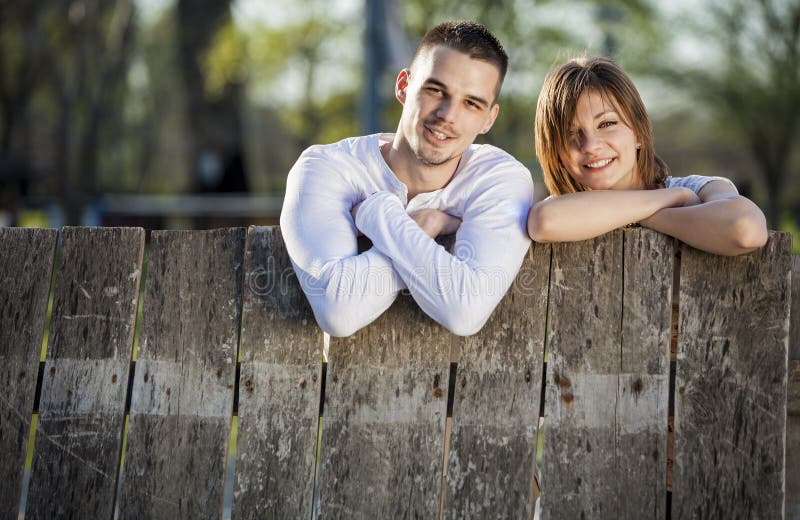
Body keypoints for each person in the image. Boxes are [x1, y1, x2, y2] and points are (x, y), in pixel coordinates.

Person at [280, 21, 533, 337]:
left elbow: (464, 313)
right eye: (435, 90)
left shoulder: (498, 179)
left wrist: (377, 214)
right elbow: (338, 311)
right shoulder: (327, 167)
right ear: (403, 86)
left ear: (488, 119)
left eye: (471, 103)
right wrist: (423, 228)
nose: (448, 115)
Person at [527, 56, 768, 256]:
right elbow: (543, 221)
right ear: (555, 151)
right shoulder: (679, 196)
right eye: (571, 134)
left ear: (638, 133)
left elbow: (746, 229)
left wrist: (649, 214)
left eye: (607, 123)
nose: (590, 145)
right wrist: (673, 199)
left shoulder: (699, 189)